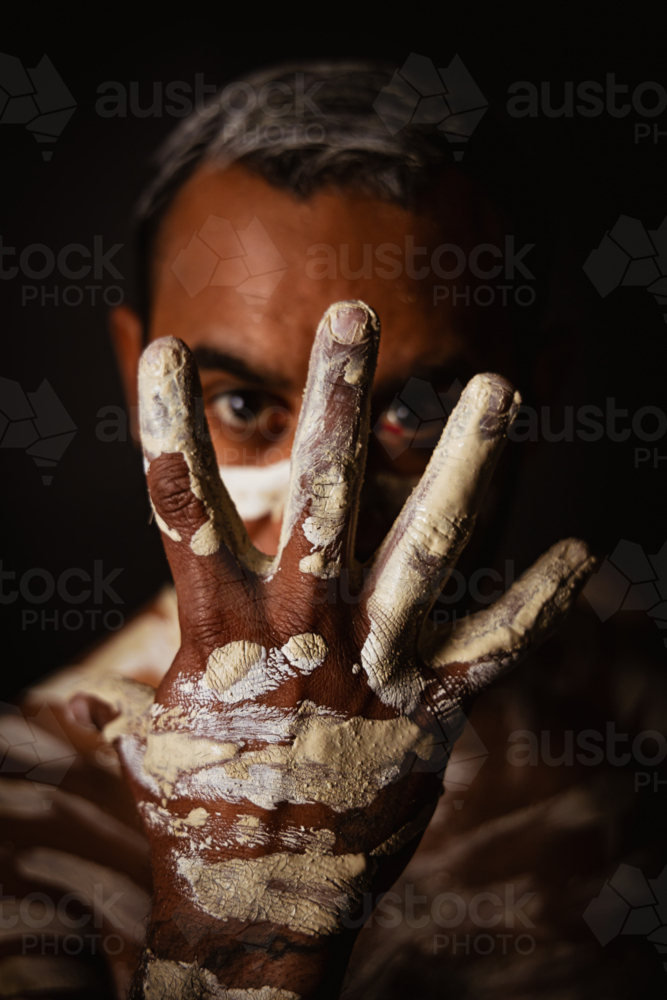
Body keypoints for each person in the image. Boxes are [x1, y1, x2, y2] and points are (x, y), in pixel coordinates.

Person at [0, 61, 662, 1000]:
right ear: (137, 379)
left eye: (415, 407)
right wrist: (242, 933)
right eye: (241, 401)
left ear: (536, 394)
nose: (327, 510)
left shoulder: (635, 699)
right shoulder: (28, 817)